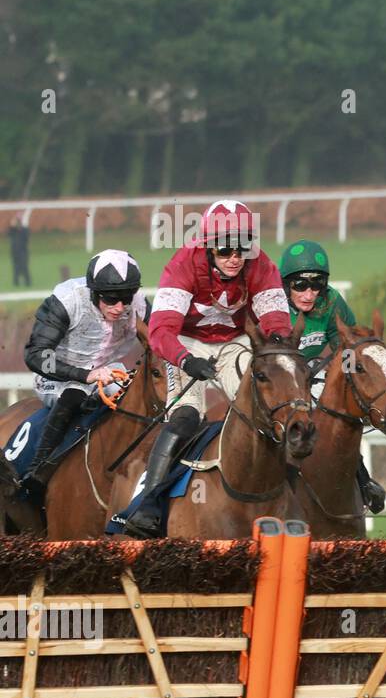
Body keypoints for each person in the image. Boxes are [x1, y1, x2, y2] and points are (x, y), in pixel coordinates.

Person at [128, 199, 292, 535]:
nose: (235, 258)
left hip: (234, 342)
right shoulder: (182, 265)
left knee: (270, 407)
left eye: (241, 249)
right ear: (207, 248)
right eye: (225, 250)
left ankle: (299, 487)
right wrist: (186, 360)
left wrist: (276, 344)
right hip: (186, 342)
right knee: (186, 417)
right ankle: (148, 504)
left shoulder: (260, 264)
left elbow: (276, 320)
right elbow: (160, 331)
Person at [12, 250, 146, 497]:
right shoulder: (67, 300)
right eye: (110, 299)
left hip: (108, 373)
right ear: (94, 292)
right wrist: (84, 375)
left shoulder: (138, 304)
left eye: (126, 299)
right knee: (75, 393)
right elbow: (36, 354)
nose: (119, 308)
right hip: (57, 376)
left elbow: (155, 343)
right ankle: (37, 470)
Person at [279, 239, 386, 513]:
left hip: (309, 371)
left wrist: (345, 377)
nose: (309, 293)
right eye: (300, 285)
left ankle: (361, 478)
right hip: (278, 374)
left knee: (338, 412)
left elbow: (348, 348)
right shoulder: (273, 304)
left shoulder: (331, 301)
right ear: (285, 284)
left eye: (317, 285)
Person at [8, 215, 31, 288]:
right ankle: (16, 283)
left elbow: (26, 236)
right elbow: (9, 233)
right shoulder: (12, 230)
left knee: (24, 267)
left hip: (23, 252)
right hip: (14, 252)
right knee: (16, 268)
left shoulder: (24, 230)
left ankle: (28, 282)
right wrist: (12, 225)